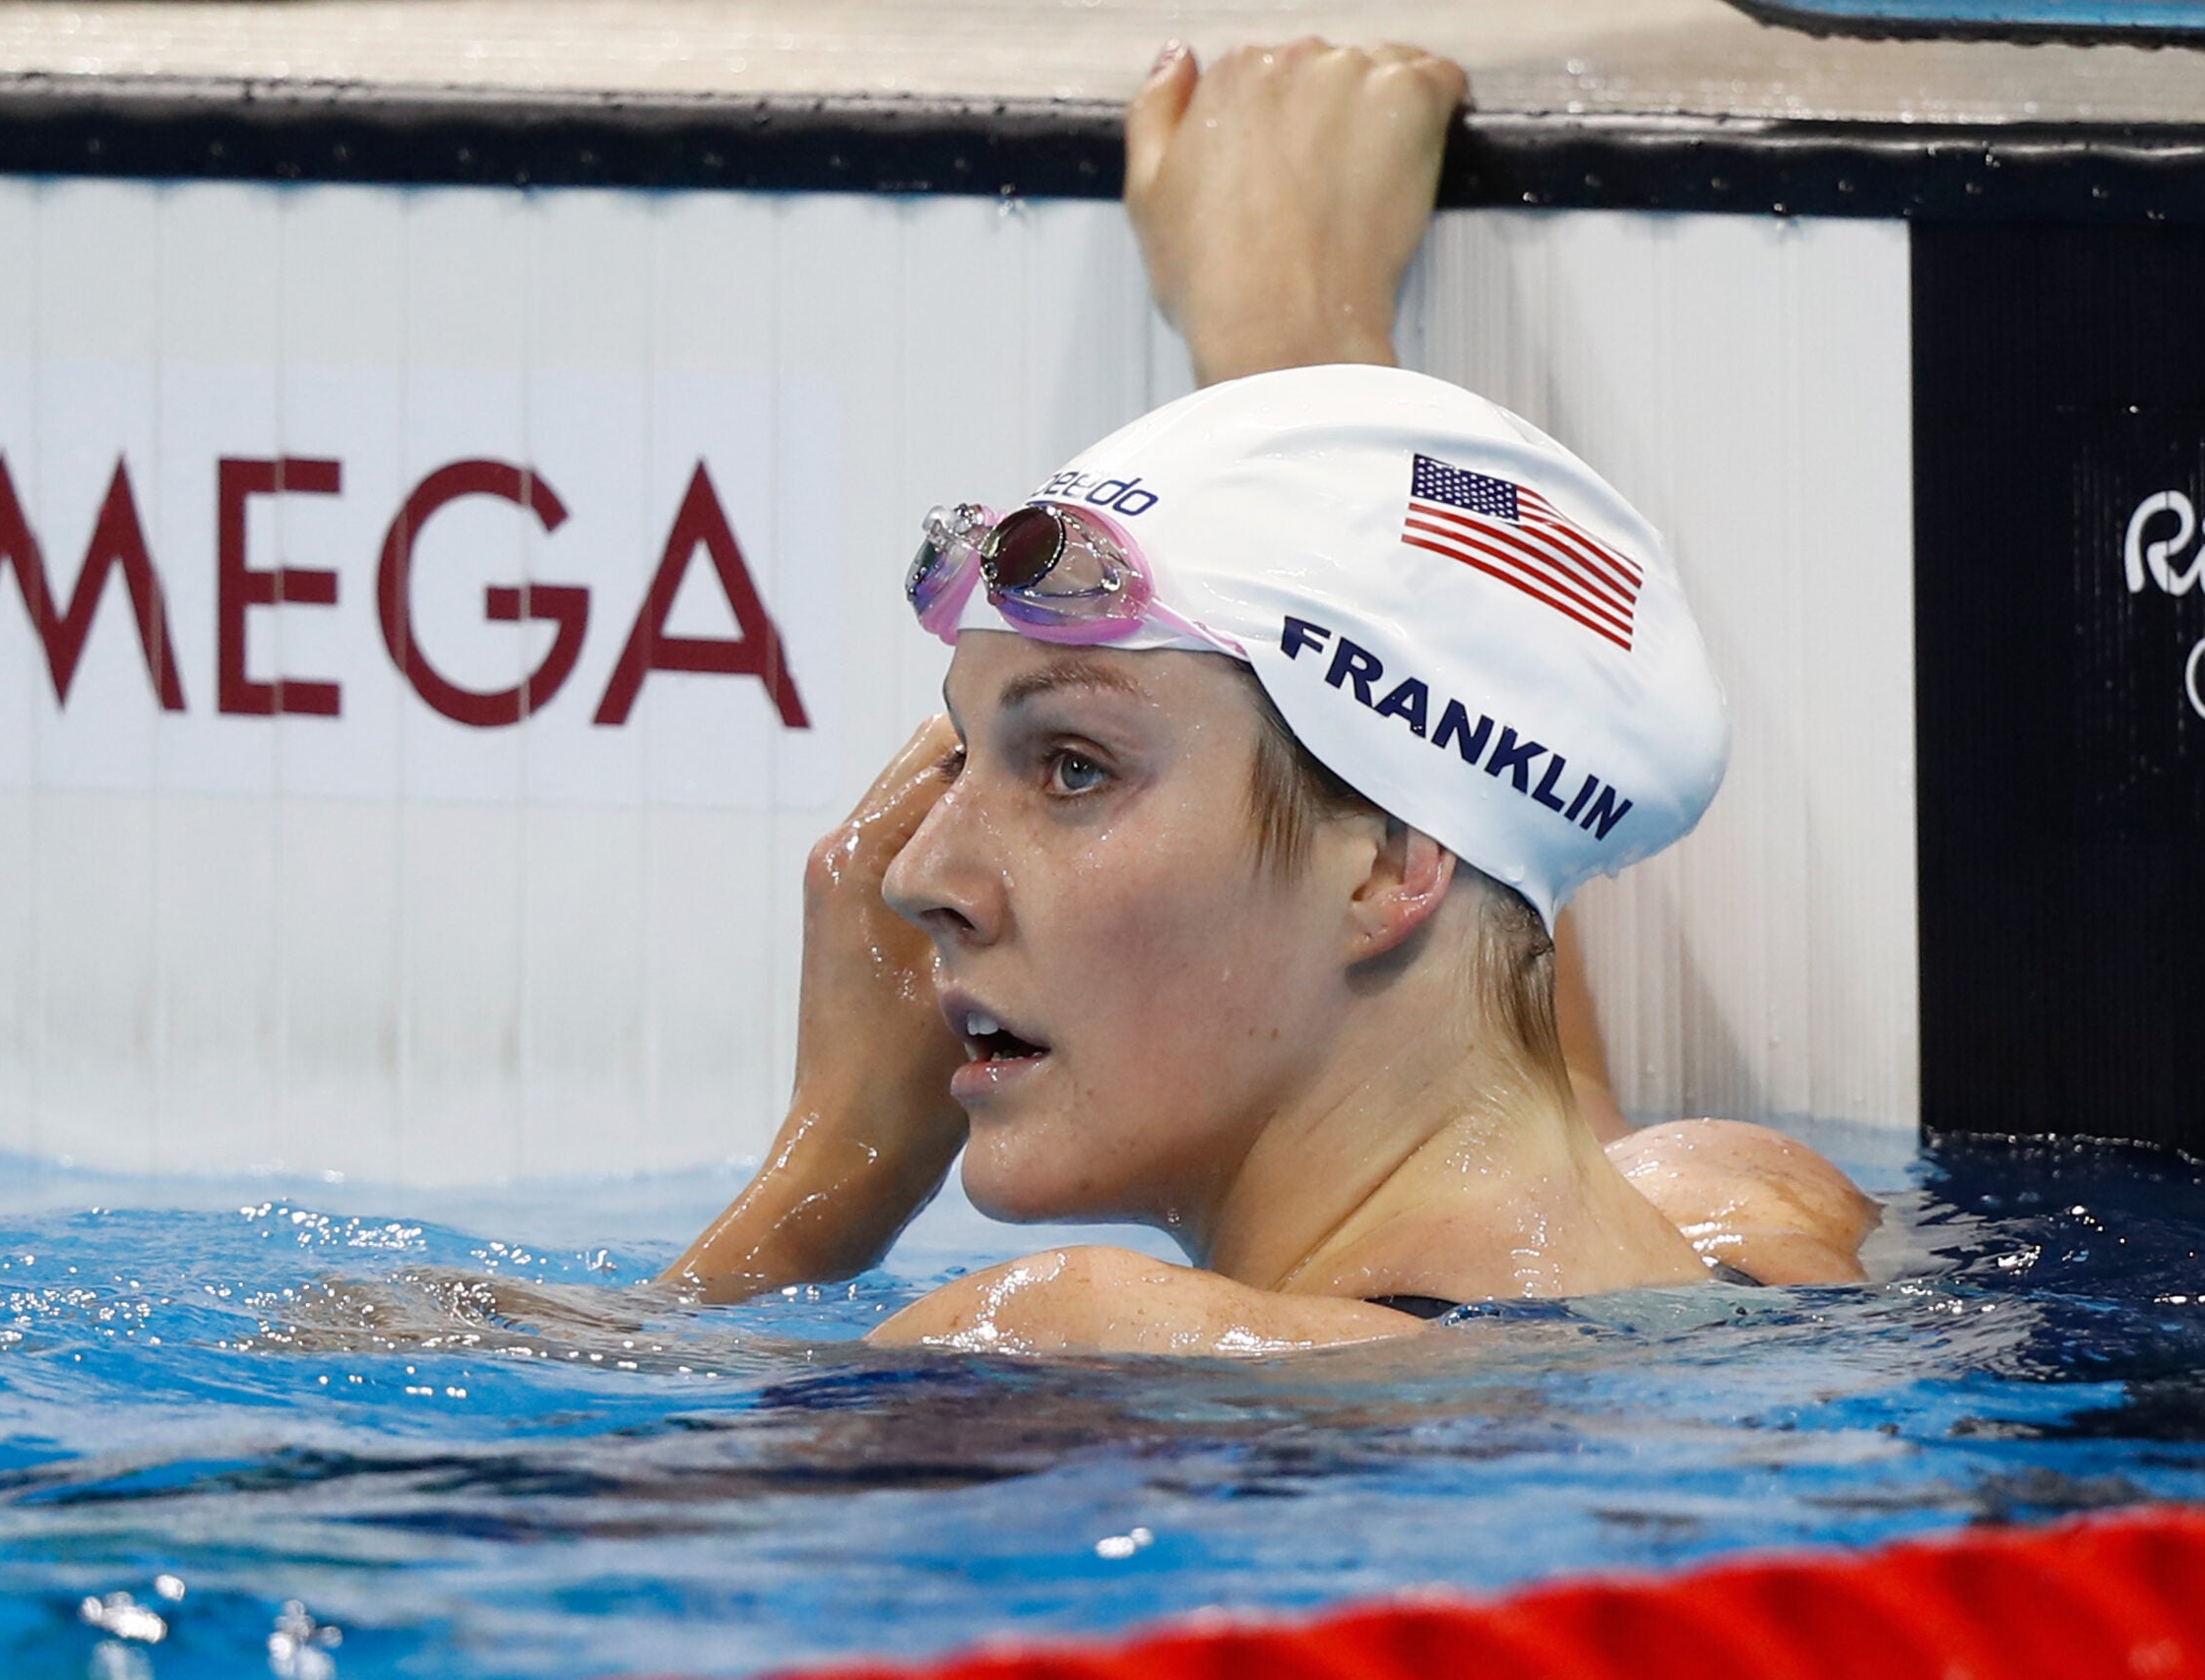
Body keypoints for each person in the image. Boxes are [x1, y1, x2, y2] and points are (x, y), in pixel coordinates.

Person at [660, 39, 1876, 1353]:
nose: (912, 880)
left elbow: (563, 1471)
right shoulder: (1740, 1215)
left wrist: (826, 1174)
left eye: (1072, 766)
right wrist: (1301, 348)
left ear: (1393, 864)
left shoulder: (1077, 1338)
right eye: (964, 760)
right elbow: (1505, 1022)